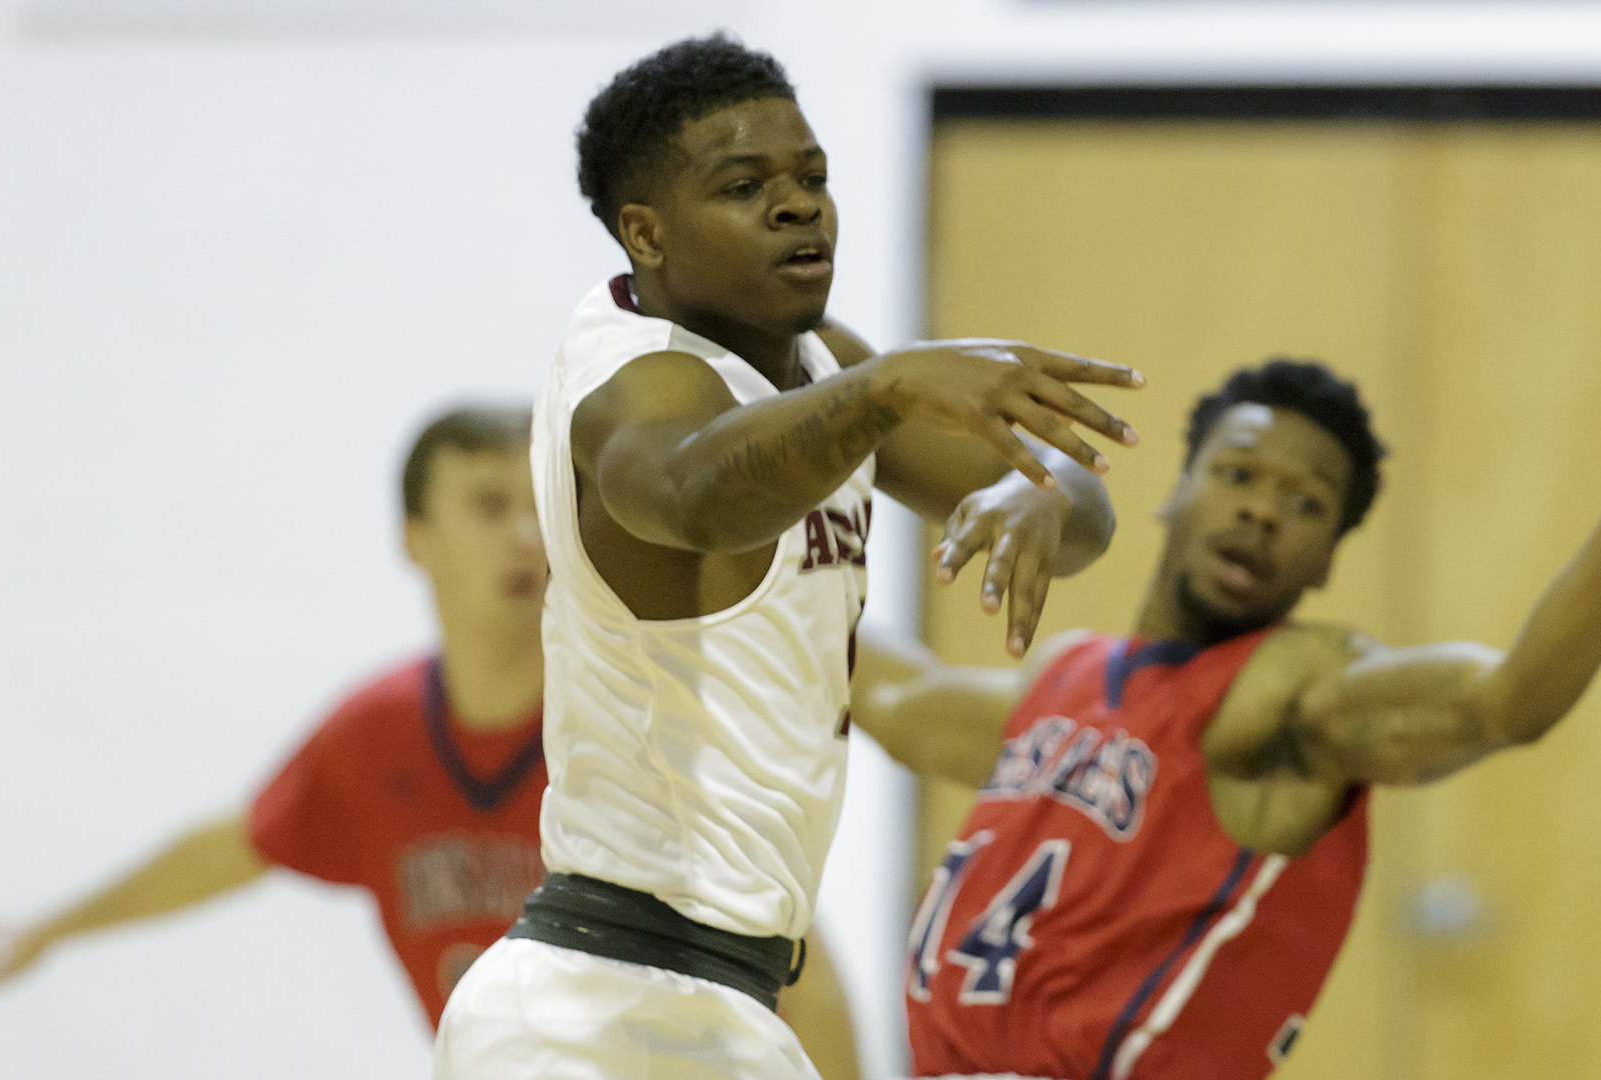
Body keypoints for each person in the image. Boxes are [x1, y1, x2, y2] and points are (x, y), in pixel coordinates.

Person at [432, 34, 1142, 1080]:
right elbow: (696, 493)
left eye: (812, 176)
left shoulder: (818, 364)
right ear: (648, 232)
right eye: (745, 184)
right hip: (592, 1004)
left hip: (729, 1005)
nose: (799, 204)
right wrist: (889, 386)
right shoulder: (629, 378)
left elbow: (1075, 496)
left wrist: (1027, 498)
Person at [854, 309, 1601, 1080]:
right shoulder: (1061, 681)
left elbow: (1507, 701)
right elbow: (889, 699)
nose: (1262, 510)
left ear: (1327, 559)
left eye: (1306, 501)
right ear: (1179, 490)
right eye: (1240, 475)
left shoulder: (1290, 703)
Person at [0, 406, 864, 1078]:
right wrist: (46, 933)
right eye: (489, 506)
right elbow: (237, 846)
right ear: (415, 538)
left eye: (541, 507)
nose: (526, 537)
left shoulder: (633, 721)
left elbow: (792, 961)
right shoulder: (374, 736)